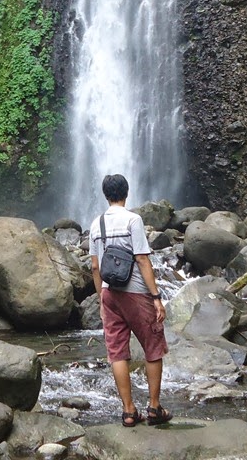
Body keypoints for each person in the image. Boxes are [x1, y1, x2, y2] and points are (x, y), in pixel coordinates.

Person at [89, 173, 172, 428]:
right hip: (135, 292)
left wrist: (101, 299)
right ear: (127, 192)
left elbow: (94, 266)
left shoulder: (96, 224)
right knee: (153, 345)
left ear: (105, 195)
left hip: (109, 293)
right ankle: (155, 408)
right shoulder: (133, 220)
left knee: (117, 353)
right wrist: (156, 297)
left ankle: (128, 411)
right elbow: (143, 259)